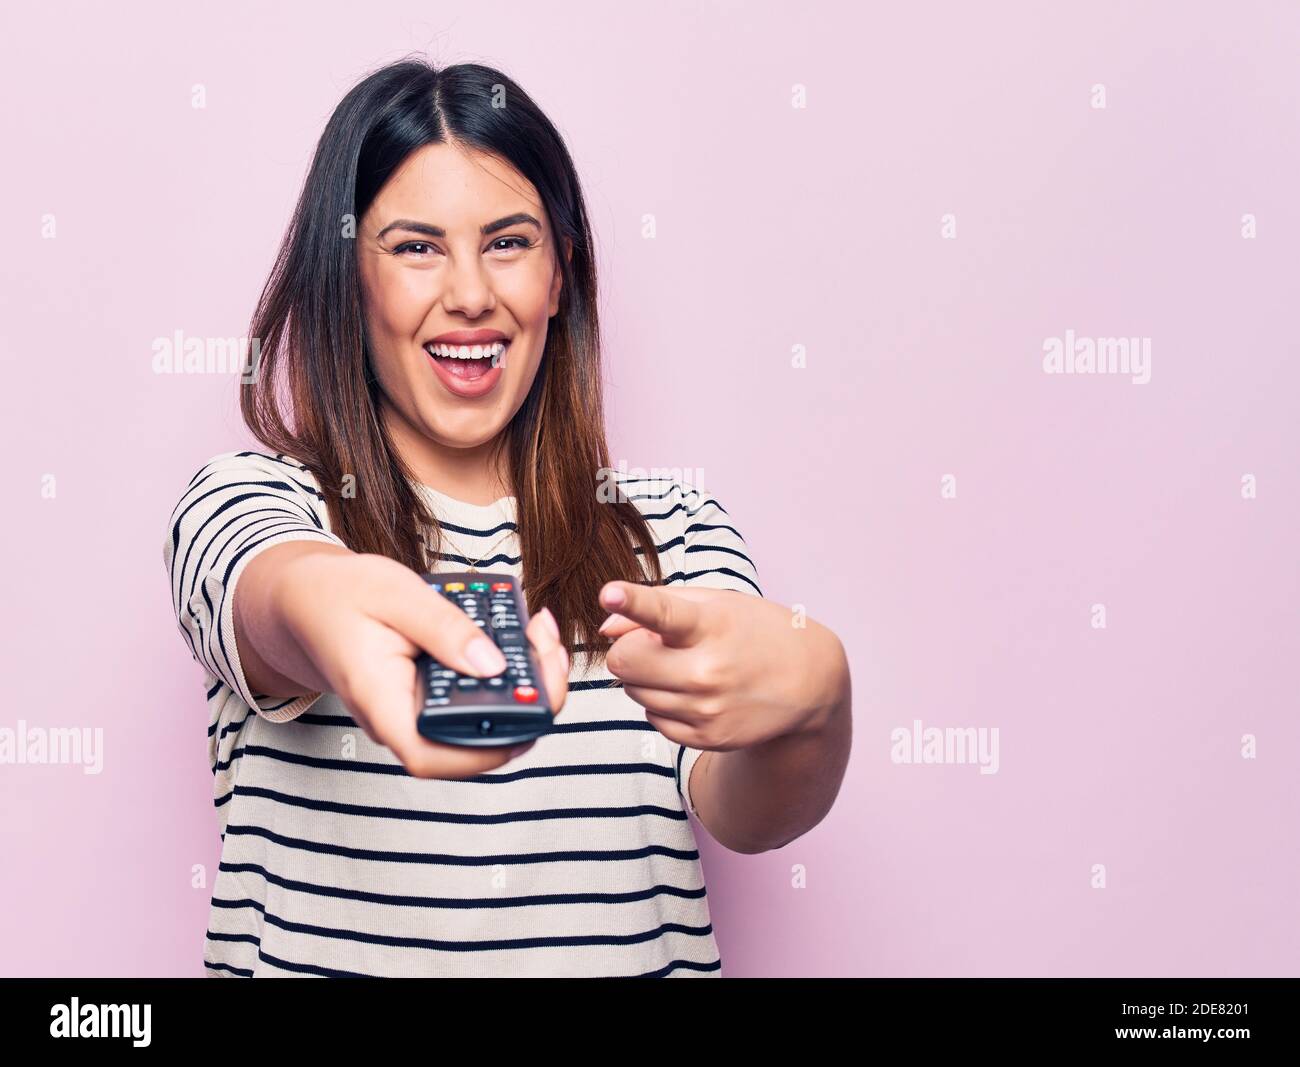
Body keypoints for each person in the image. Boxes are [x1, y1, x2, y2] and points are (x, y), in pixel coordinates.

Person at [162, 58, 852, 978]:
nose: (471, 294)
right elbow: (270, 588)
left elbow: (749, 812)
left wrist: (816, 704)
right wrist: (329, 606)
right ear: (346, 280)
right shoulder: (258, 501)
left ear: (561, 276)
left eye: (509, 242)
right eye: (414, 247)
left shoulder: (673, 532)